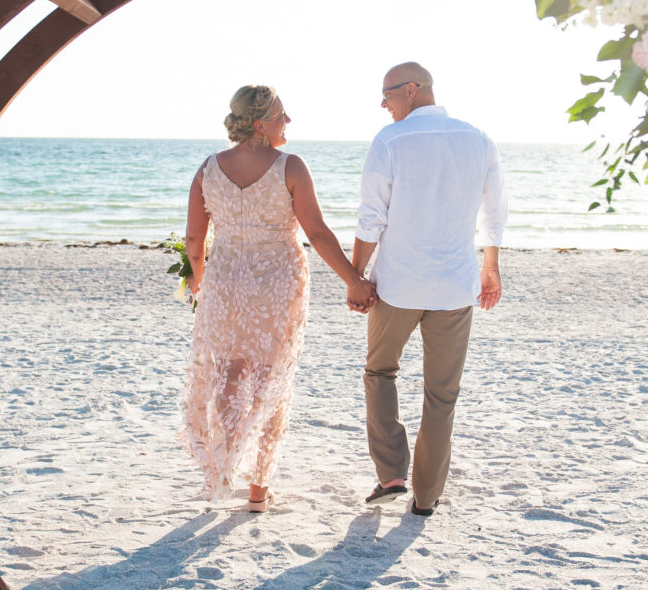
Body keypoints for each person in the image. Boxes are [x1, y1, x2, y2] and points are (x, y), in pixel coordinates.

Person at [179, 84, 376, 512]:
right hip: (278, 282)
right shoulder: (290, 167)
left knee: (232, 370)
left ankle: (227, 466)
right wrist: (353, 280)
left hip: (226, 282)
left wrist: (198, 279)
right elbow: (317, 232)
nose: (289, 121)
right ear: (259, 124)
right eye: (282, 115)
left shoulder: (208, 169)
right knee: (271, 378)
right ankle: (258, 489)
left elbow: (196, 237)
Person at [351, 62, 506, 517]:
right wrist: (490, 266)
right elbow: (494, 212)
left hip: (398, 283)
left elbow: (370, 216)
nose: (383, 104)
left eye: (388, 95)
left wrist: (357, 276)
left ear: (412, 89)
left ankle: (392, 473)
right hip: (456, 286)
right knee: (443, 395)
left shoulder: (390, 140)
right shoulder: (479, 140)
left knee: (380, 373)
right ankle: (426, 497)